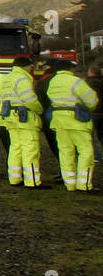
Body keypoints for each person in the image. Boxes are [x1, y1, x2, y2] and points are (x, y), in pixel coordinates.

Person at [46, 60, 99, 192]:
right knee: (85, 151)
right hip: (76, 120)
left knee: (65, 151)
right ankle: (84, 184)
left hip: (58, 120)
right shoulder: (75, 81)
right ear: (70, 69)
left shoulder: (53, 81)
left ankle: (70, 183)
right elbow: (92, 100)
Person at [3, 56, 45, 188]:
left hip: (10, 116)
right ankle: (32, 181)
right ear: (25, 66)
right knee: (30, 148)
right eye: (30, 67)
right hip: (24, 117)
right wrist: (39, 109)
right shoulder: (22, 78)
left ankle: (14, 179)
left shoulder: (7, 78)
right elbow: (29, 100)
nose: (31, 69)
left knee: (15, 147)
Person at [87, 65, 103, 162]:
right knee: (101, 134)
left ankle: (97, 156)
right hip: (102, 112)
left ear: (91, 72)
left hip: (93, 111)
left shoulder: (89, 83)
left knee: (90, 135)